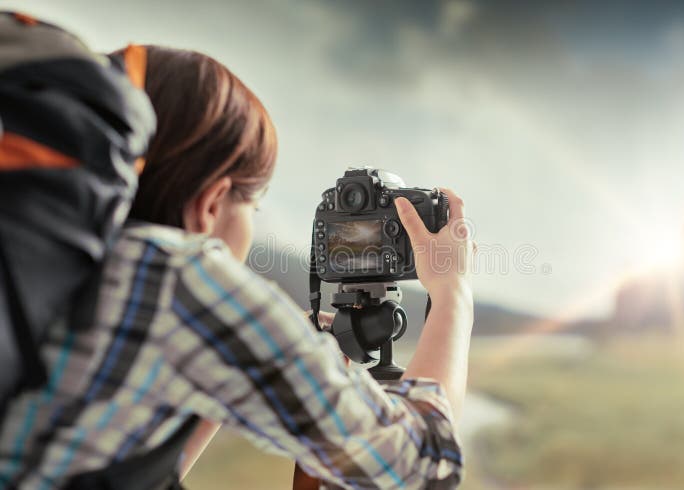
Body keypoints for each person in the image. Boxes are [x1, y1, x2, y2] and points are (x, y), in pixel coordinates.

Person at [0, 45, 474, 489]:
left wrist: (231, 357)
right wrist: (452, 291)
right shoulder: (176, 277)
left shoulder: (46, 264)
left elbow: (127, 470)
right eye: (254, 207)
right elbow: (421, 463)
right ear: (212, 203)